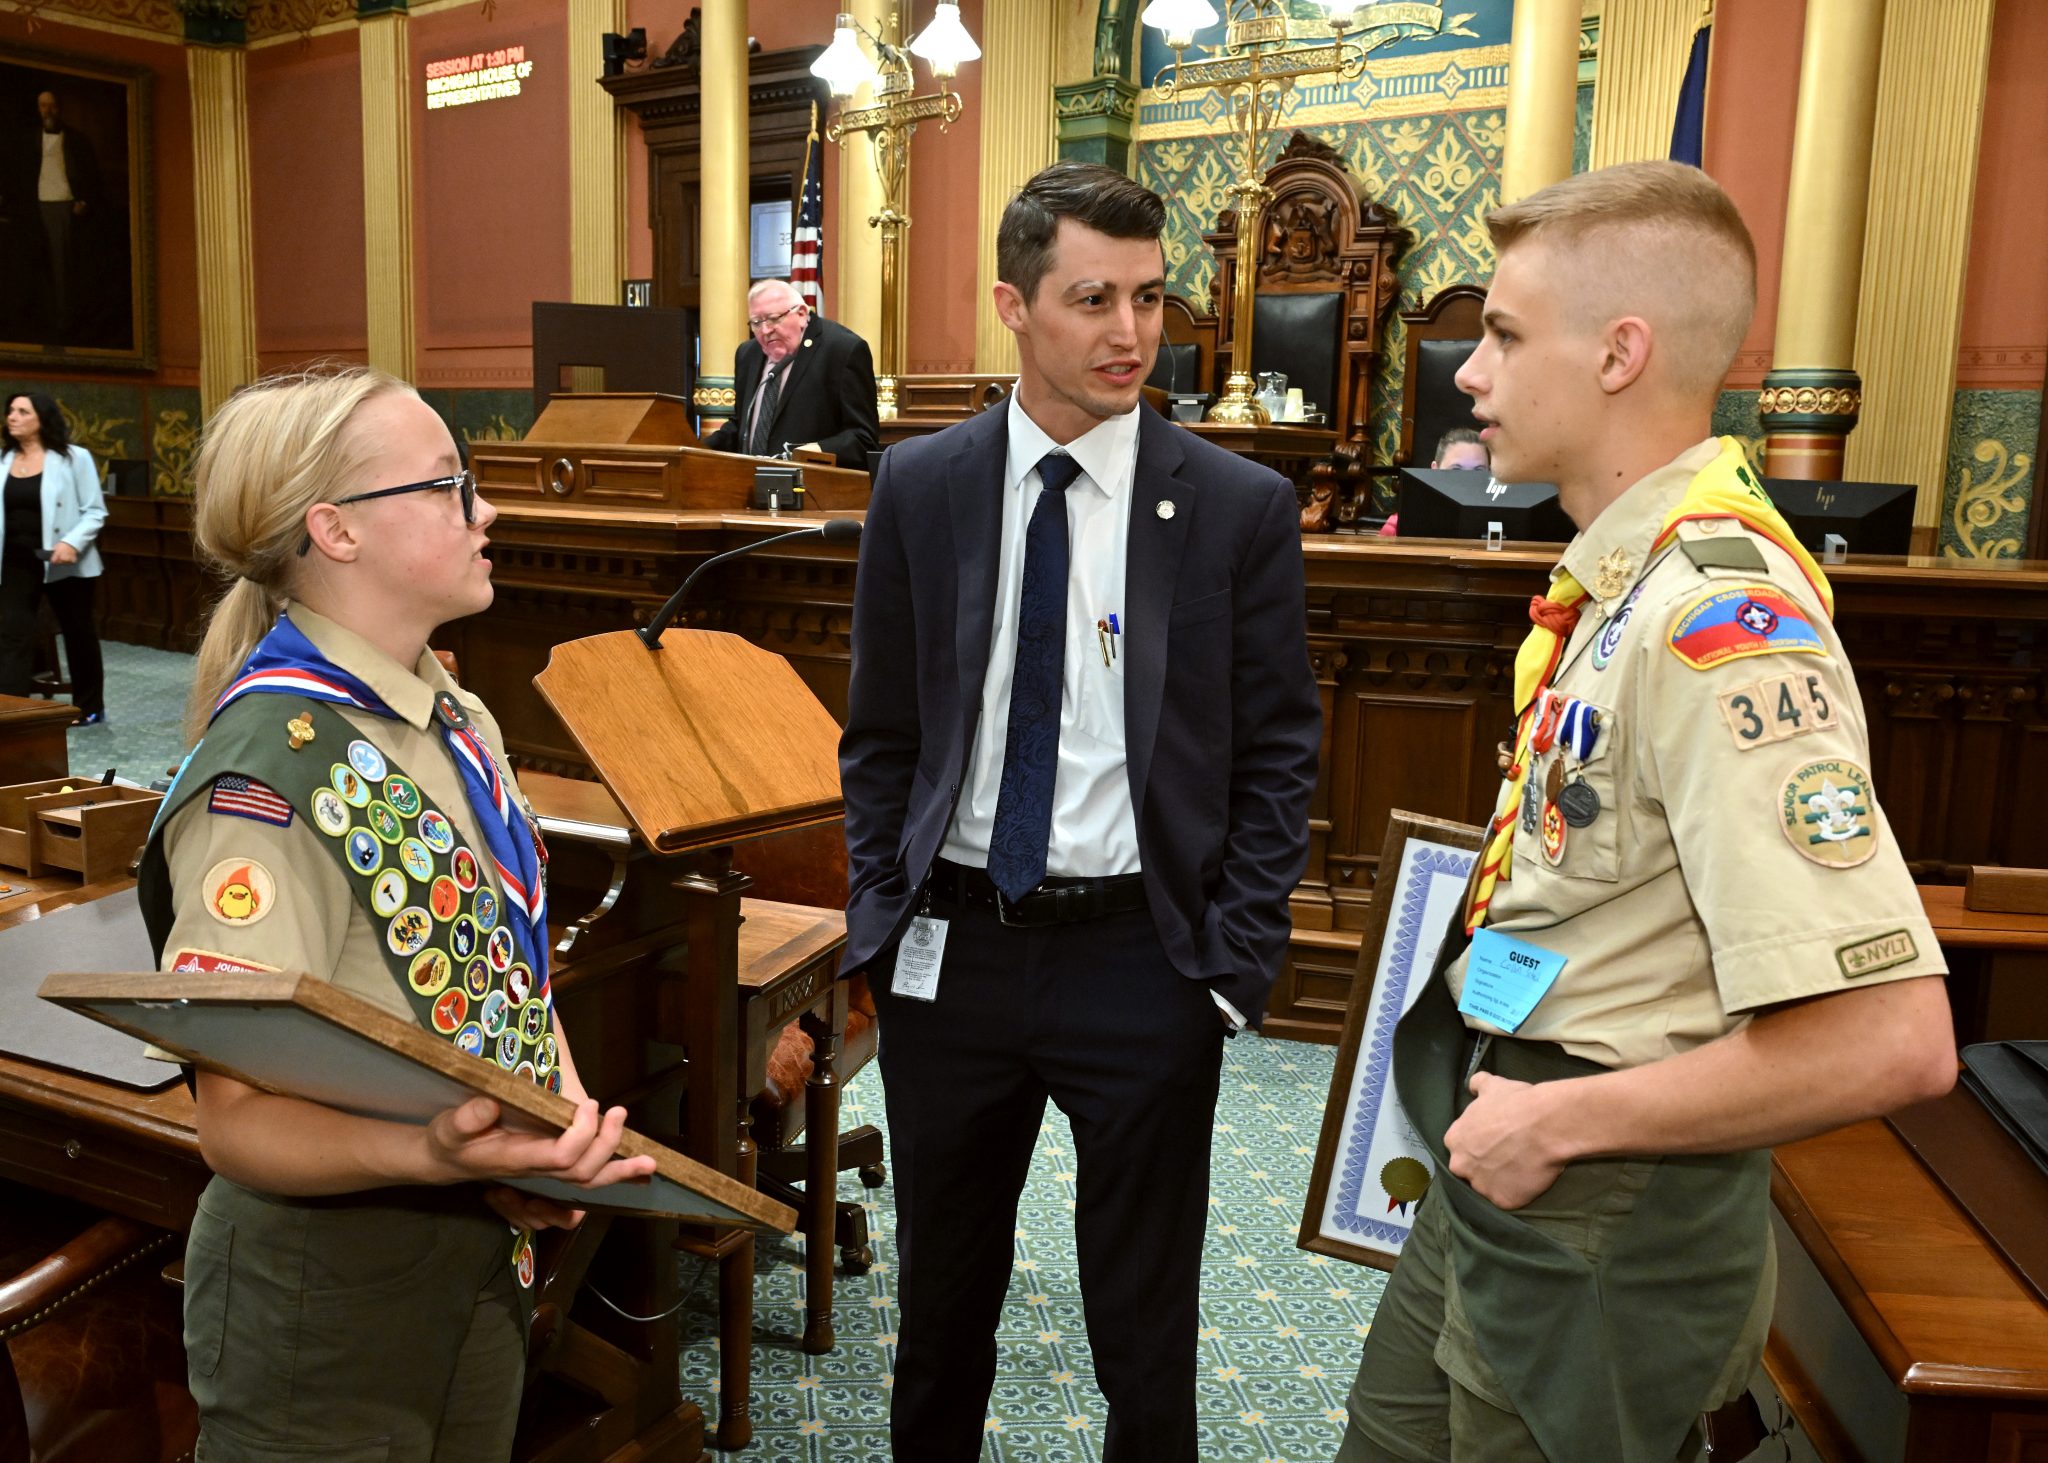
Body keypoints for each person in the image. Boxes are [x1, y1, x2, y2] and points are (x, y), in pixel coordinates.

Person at [1337, 162, 1955, 1462]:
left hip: (1600, 1199)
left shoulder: (1725, 622)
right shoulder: (1624, 580)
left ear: (1622, 352)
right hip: (1504, 1146)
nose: (1468, 372)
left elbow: (1894, 1038)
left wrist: (1556, 1118)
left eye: (1505, 335)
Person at [839, 160, 1321, 1461]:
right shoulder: (922, 487)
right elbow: (881, 734)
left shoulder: (1235, 507)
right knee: (940, 1312)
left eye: (1152, 299)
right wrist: (879, 918)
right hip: (956, 946)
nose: (1130, 334)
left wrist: (1231, 959)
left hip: (1144, 958)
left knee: (1143, 1328)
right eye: (1092, 298)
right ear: (1014, 303)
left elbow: (1281, 750)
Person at [133, 366, 655, 1461]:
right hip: (322, 1302)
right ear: (336, 529)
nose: (488, 510)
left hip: (474, 1254)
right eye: (451, 485)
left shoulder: (451, 711)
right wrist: (437, 1151)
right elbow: (230, 1122)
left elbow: (507, 952)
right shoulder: (264, 781)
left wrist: (550, 1119)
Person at [0, 390, 106, 722]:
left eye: (22, 411)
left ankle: (89, 708)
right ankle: (13, 710)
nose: (12, 417)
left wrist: (72, 543)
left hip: (65, 561)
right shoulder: (3, 461)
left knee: (78, 632)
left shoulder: (74, 458)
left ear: (42, 419)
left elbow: (94, 512)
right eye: (10, 411)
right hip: (17, 559)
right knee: (12, 633)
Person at [702, 279, 880, 468]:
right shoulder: (748, 354)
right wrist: (695, 448)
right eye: (756, 322)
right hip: (747, 484)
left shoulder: (842, 350)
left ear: (801, 314)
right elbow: (741, 426)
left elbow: (863, 438)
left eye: (773, 319)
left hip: (812, 486)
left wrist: (809, 452)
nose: (765, 330)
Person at [1380, 426, 1490, 536]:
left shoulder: (1500, 523)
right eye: (1456, 470)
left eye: (1478, 471)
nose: (1467, 481)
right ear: (1435, 469)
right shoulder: (1397, 525)